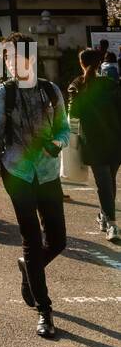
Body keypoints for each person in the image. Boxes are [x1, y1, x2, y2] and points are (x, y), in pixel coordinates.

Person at [0, 34, 70, 339]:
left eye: (12, 56)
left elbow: (64, 127)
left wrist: (57, 144)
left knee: (58, 240)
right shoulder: (2, 94)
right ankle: (44, 310)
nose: (8, 63)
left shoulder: (50, 90)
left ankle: (28, 266)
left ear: (30, 58)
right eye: (5, 57)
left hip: (48, 172)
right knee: (32, 239)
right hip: (17, 173)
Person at [68, 48, 121, 243]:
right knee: (109, 182)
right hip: (116, 140)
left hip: (93, 141)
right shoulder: (111, 84)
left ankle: (112, 224)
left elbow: (73, 114)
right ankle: (104, 217)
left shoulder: (77, 84)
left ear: (81, 63)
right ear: (100, 64)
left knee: (104, 183)